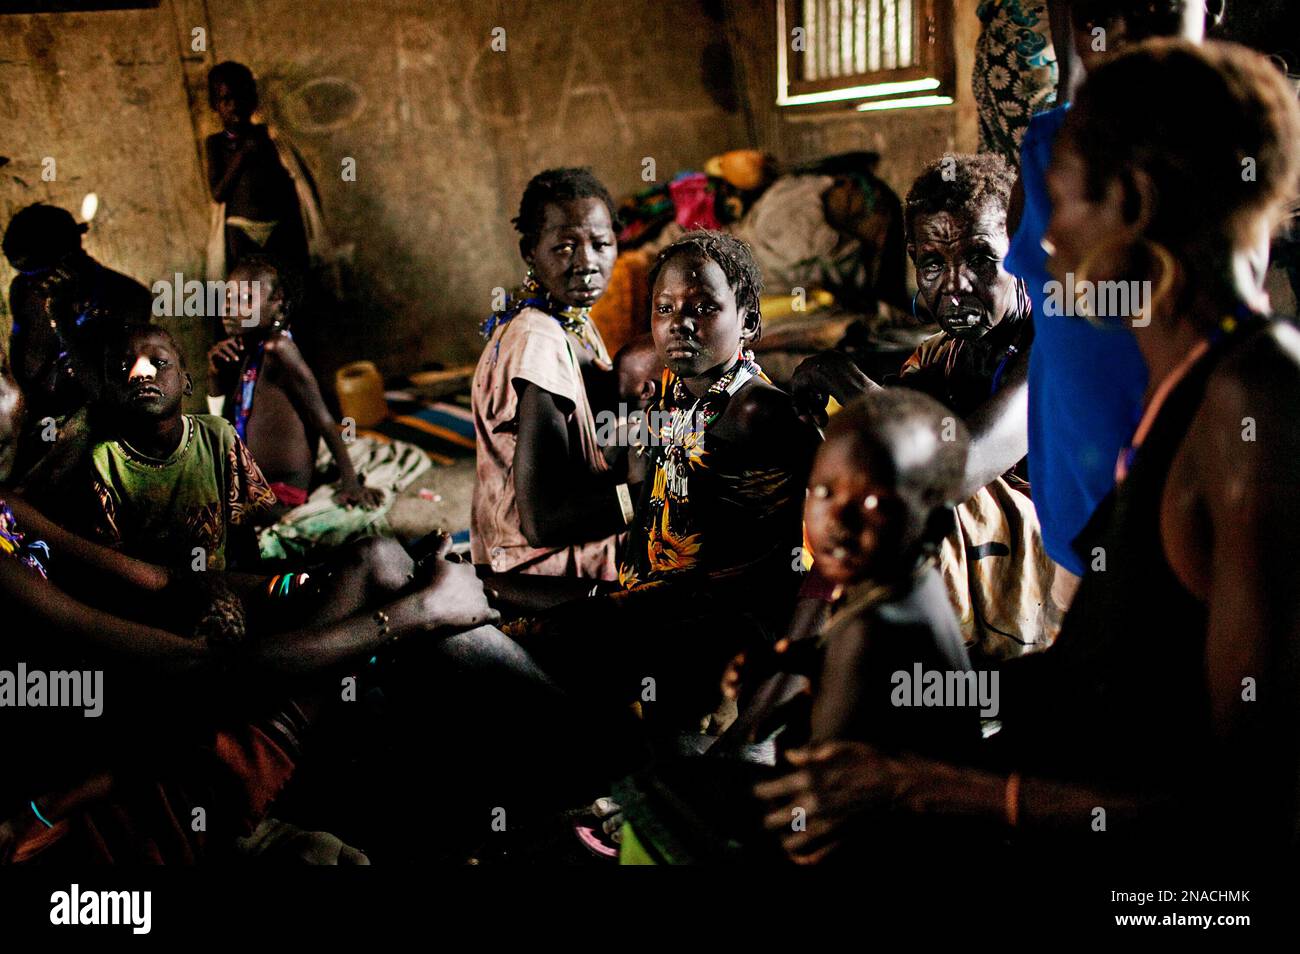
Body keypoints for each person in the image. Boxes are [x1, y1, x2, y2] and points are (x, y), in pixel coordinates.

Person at [756, 39, 1300, 860]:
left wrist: (922, 785)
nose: (1025, 249)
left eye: (1048, 205)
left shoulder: (1253, 401)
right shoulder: (1176, 392)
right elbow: (1097, 684)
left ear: (1132, 200)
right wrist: (873, 680)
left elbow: (1241, 808)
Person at [0, 342, 501, 862]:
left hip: (147, 711)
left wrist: (290, 585)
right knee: (379, 588)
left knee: (373, 564)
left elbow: (161, 579)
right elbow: (200, 666)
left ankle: (526, 757)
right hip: (118, 760)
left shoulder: (11, 508)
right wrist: (414, 614)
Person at [1005, 0, 1225, 603]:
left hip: (1201, 505)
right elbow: (1050, 323)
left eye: (1157, 3)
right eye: (1097, 7)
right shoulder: (1053, 147)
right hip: (1082, 508)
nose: (1123, 25)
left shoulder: (1240, 144)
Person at [800, 155, 1059, 660]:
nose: (955, 285)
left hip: (1056, 578)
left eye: (982, 259)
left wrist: (843, 377)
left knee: (907, 500)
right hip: (994, 571)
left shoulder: (1049, 350)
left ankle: (797, 689)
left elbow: (958, 468)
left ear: (1021, 255)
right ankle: (813, 669)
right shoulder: (943, 353)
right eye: (934, 264)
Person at [471, 168, 633, 580]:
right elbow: (542, 523)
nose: (586, 263)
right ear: (530, 252)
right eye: (564, 247)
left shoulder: (570, 318)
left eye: (601, 244)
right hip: (539, 564)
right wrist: (645, 497)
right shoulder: (538, 341)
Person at [207, 255, 409, 561]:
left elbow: (324, 419)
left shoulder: (280, 350)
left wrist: (351, 483)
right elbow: (219, 414)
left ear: (277, 303)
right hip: (251, 482)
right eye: (227, 298)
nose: (228, 308)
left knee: (206, 516)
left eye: (245, 299)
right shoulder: (249, 350)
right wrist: (213, 372)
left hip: (280, 492)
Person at [78, 325, 273, 571]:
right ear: (112, 393)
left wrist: (248, 589)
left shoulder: (218, 437)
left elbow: (243, 534)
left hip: (218, 584)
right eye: (123, 368)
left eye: (159, 362)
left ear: (186, 383)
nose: (140, 372)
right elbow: (113, 563)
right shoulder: (104, 461)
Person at [2, 204, 152, 500]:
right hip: (35, 431)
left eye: (36, 273)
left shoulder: (127, 299)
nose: (30, 281)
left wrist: (63, 322)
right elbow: (25, 373)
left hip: (93, 442)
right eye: (21, 272)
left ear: (69, 260)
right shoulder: (24, 291)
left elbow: (105, 397)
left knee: (87, 421)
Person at [205, 61, 309, 277]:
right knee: (245, 288)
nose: (234, 106)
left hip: (278, 226)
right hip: (240, 230)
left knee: (281, 286)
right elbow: (218, 193)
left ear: (252, 100)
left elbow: (294, 185)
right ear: (214, 104)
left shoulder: (270, 138)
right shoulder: (216, 143)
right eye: (226, 100)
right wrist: (242, 155)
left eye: (241, 98)